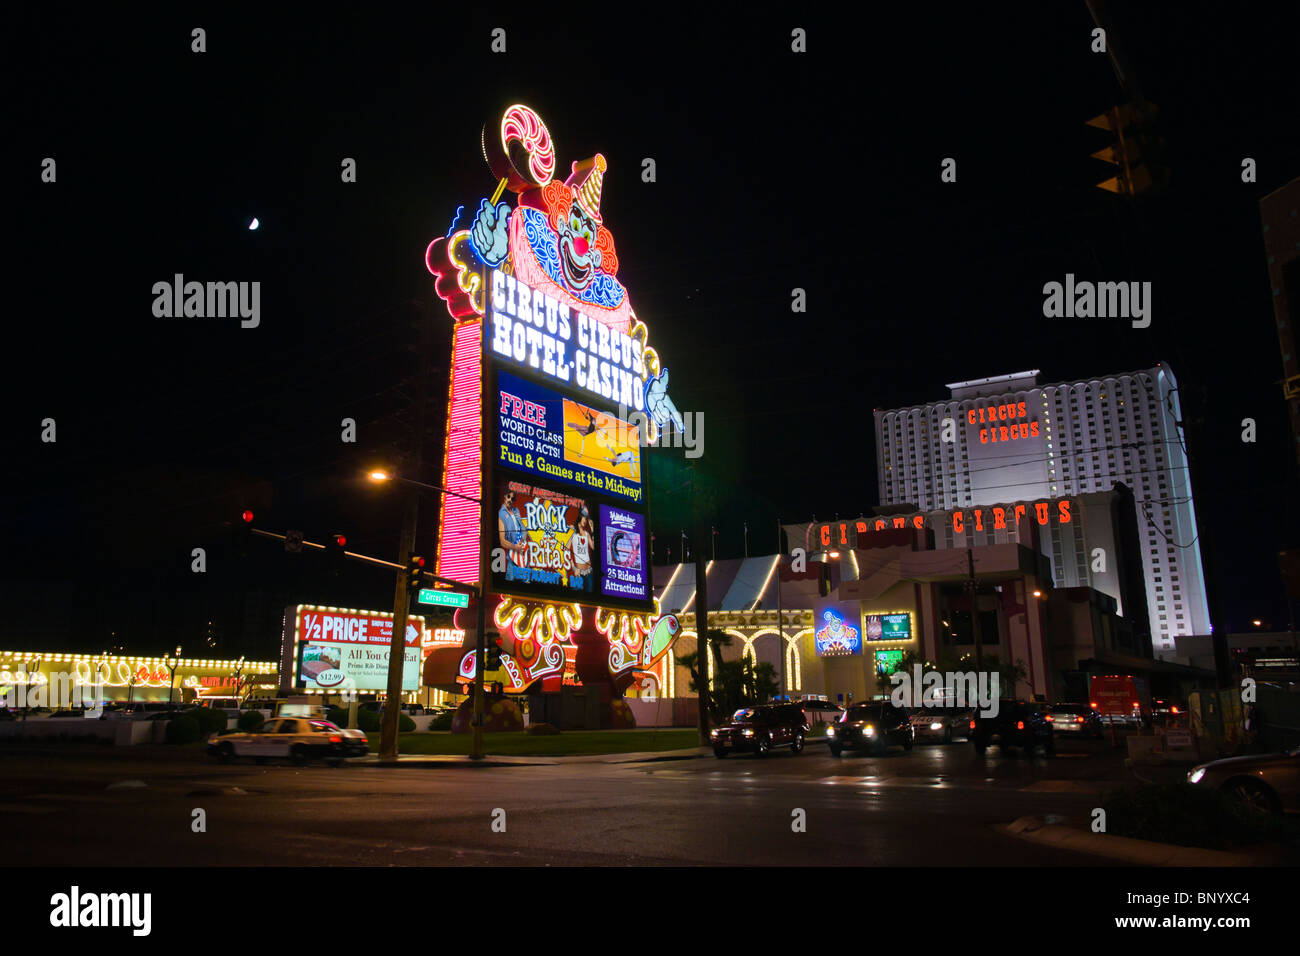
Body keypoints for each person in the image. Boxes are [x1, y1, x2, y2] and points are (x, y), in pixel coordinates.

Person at [497, 490, 528, 563]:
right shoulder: (501, 513)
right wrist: (515, 547)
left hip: (522, 554)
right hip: (511, 557)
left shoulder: (516, 510)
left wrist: (521, 542)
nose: (510, 500)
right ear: (505, 496)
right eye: (508, 497)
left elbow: (524, 529)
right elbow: (502, 541)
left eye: (512, 499)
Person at [570, 507, 594, 592]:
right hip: (578, 572)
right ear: (580, 516)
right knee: (576, 596)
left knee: (590, 598)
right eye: (584, 517)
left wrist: (592, 530)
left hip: (589, 572)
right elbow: (566, 550)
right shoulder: (572, 530)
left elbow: (593, 547)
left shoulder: (587, 534)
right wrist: (573, 568)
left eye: (586, 518)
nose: (585, 520)